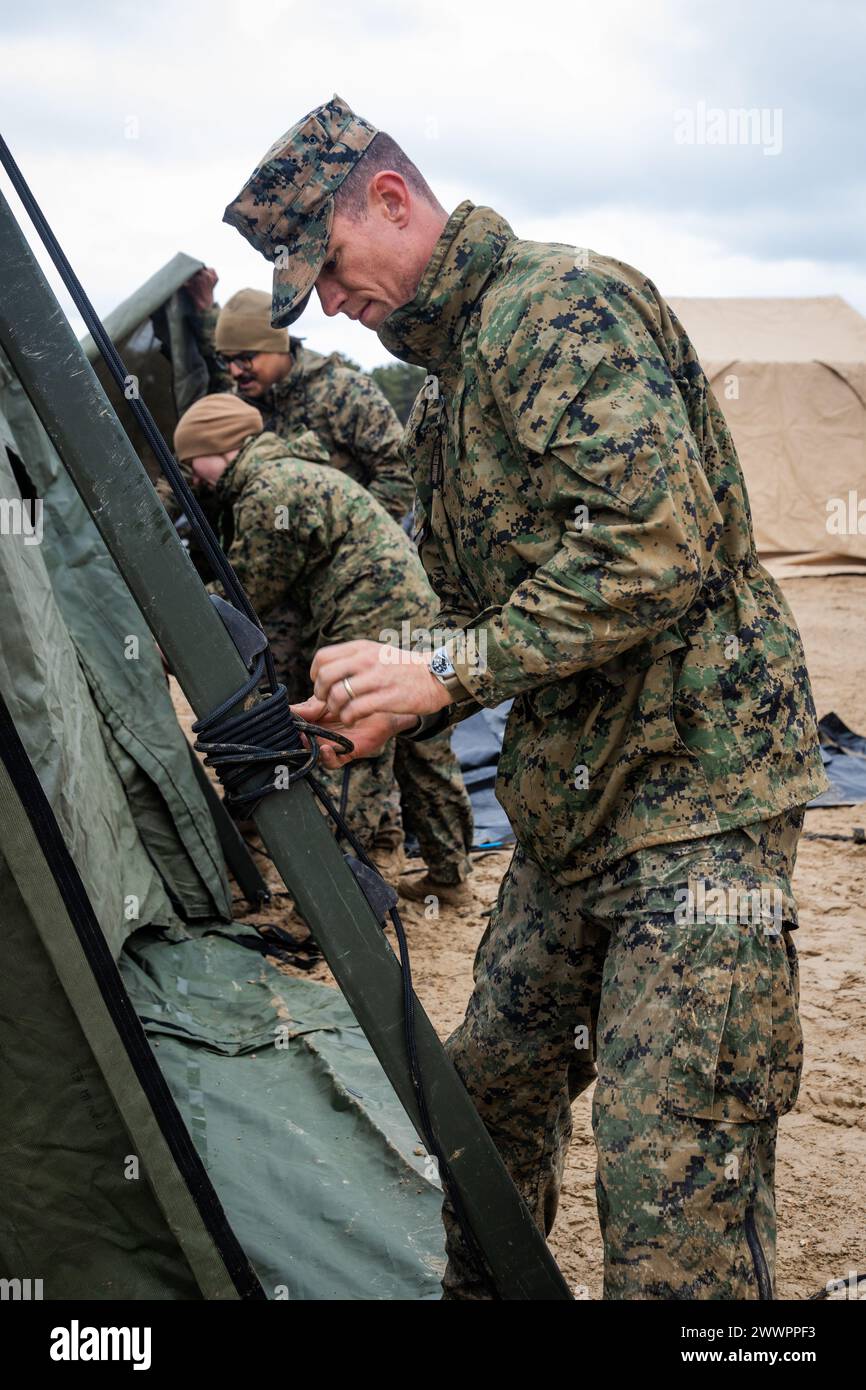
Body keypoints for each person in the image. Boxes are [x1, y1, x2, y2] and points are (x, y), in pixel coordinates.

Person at [221, 95, 830, 1300]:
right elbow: (474, 613)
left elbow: (653, 547)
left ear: (389, 200)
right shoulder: (450, 388)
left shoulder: (555, 308)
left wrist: (445, 671)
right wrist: (389, 689)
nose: (329, 306)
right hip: (574, 807)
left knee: (669, 1180)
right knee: (487, 1092)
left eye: (328, 269)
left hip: (695, 801)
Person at [173, 393, 474, 901]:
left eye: (192, 461)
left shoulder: (269, 490)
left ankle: (340, 902)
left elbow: (247, 592)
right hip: (406, 605)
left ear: (219, 448)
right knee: (418, 741)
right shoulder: (293, 472)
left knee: (347, 744)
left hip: (370, 609)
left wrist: (178, 615)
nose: (191, 476)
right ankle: (449, 877)